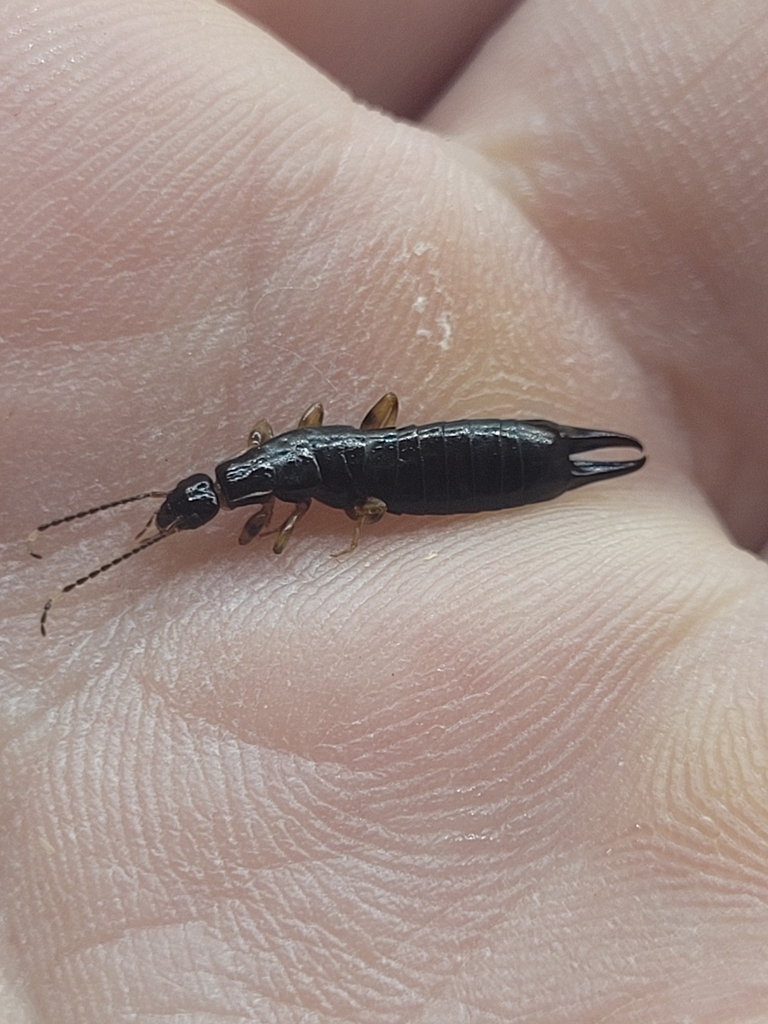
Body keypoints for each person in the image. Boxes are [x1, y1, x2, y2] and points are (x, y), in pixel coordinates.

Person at [1, 0, 766, 1019]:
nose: (201, 512)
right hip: (402, 461)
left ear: (229, 499)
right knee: (409, 463)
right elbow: (315, 457)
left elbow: (300, 493)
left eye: (196, 511)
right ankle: (543, 458)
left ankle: (541, 459)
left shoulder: (268, 496)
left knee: (402, 472)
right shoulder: (272, 470)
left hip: (404, 471)